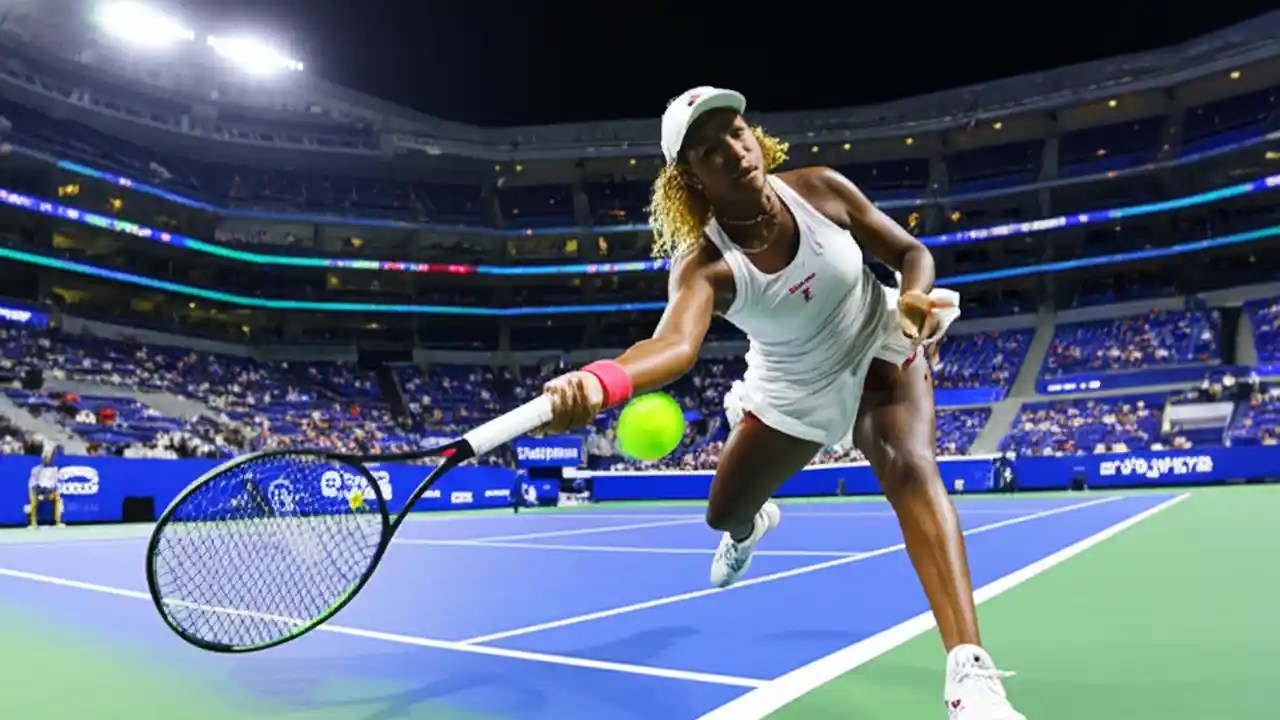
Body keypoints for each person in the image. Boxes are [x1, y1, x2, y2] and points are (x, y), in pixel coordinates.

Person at [537, 86, 1025, 719]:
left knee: (906, 464)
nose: (735, 151)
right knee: (723, 511)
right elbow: (674, 346)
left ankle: (971, 678)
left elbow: (911, 252)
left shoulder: (820, 188)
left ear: (754, 133)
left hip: (877, 338)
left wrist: (914, 296)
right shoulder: (704, 266)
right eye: (711, 151)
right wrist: (599, 382)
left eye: (738, 133)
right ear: (691, 178)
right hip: (794, 386)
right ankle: (751, 526)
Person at [27, 443, 63, 529]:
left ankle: (57, 522)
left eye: (49, 458)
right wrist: (40, 492)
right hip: (37, 491)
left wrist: (49, 492)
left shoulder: (54, 470)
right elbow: (33, 484)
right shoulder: (36, 469)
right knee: (33, 502)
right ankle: (33, 523)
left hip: (49, 492)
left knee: (58, 498)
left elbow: (54, 483)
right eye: (46, 459)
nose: (48, 461)